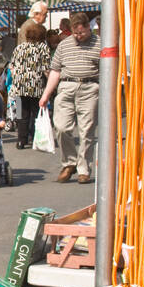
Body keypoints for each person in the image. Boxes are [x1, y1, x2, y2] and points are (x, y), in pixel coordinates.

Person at [37, 11, 100, 183]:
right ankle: (69, 162)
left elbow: (107, 71)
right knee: (61, 127)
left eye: (82, 32)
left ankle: (83, 169)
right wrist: (46, 95)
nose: (79, 36)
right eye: (76, 33)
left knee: (87, 130)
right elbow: (55, 70)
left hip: (89, 87)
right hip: (66, 86)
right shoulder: (64, 45)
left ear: (89, 27)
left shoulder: (99, 43)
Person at [8, 21, 51, 149]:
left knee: (21, 114)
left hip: (19, 87)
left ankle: (21, 140)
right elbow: (46, 68)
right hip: (35, 86)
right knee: (36, 113)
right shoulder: (42, 48)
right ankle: (35, 137)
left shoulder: (19, 48)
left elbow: (12, 66)